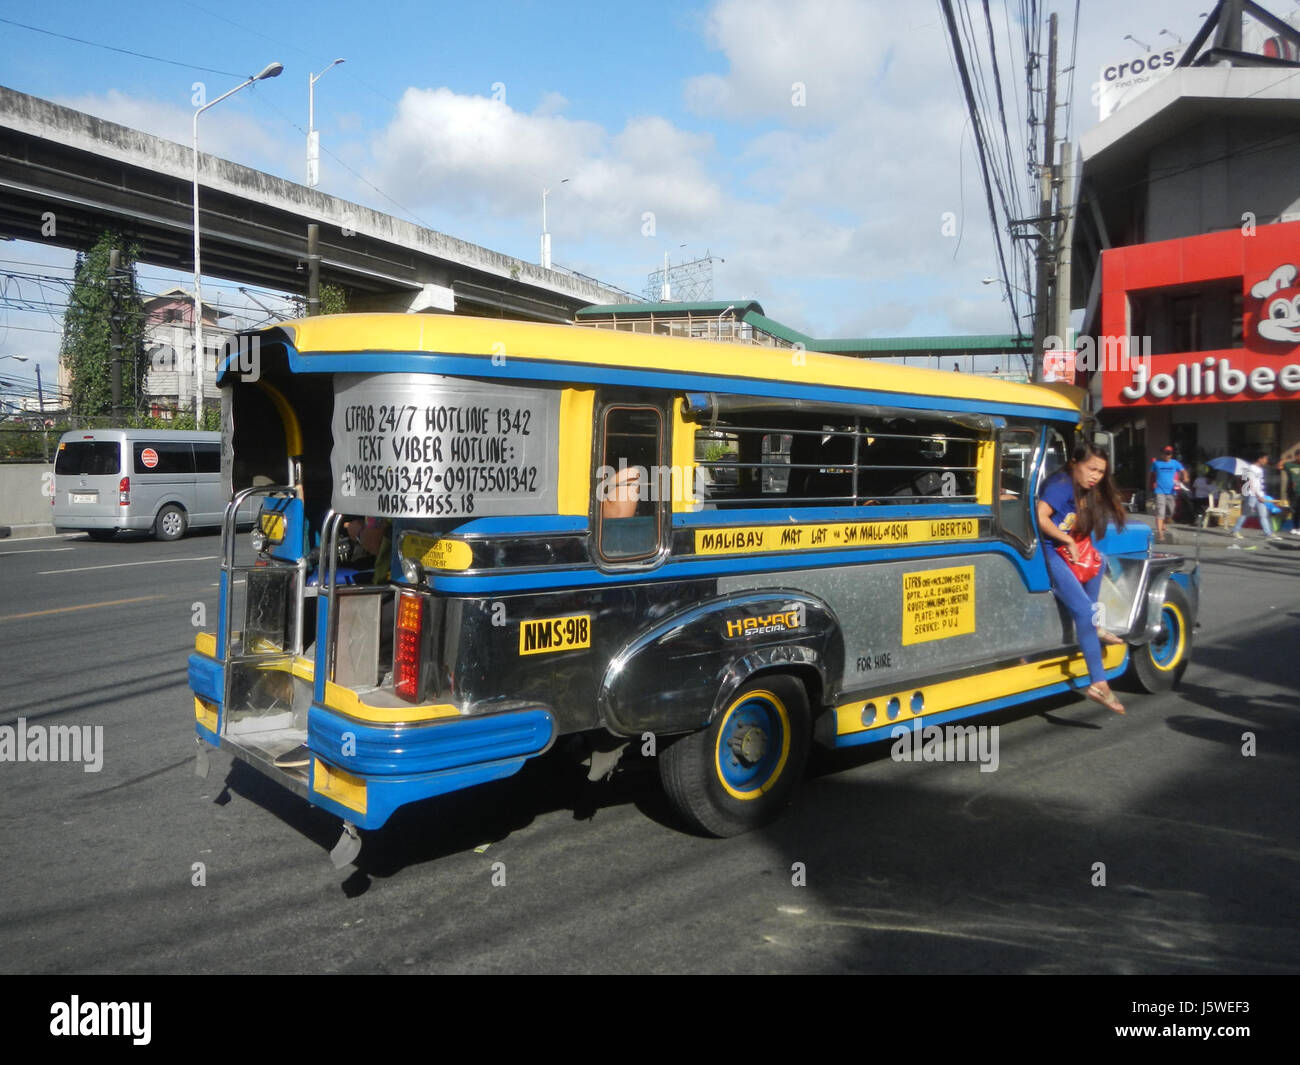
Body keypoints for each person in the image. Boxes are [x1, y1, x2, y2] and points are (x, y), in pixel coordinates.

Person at [1038, 441, 1129, 714]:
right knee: (1082, 610)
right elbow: (1041, 516)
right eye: (1091, 469)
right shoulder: (1061, 485)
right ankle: (1099, 683)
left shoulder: (1080, 487)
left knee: (1098, 562)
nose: (1095, 476)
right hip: (1045, 552)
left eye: (1101, 472)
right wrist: (1067, 539)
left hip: (1059, 548)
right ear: (1074, 462)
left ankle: (1091, 624)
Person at [1230, 453, 1280, 547]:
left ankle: (1268, 533)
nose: (1266, 461)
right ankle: (1235, 530)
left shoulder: (1260, 470)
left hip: (1260, 495)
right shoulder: (1250, 468)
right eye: (1265, 459)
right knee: (1245, 514)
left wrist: (1261, 495)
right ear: (1259, 459)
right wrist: (1258, 495)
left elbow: (1259, 483)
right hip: (1252, 495)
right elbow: (1251, 483)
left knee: (1263, 515)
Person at [1150, 444, 1185, 542]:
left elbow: (1183, 470)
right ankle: (1160, 533)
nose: (1167, 456)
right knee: (1160, 511)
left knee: (1171, 509)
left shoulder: (1175, 463)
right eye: (1165, 453)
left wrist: (1185, 477)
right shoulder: (1156, 463)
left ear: (1171, 455)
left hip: (1171, 490)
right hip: (1159, 490)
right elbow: (1152, 475)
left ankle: (1165, 521)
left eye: (1169, 454)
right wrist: (1152, 485)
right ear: (1162, 454)